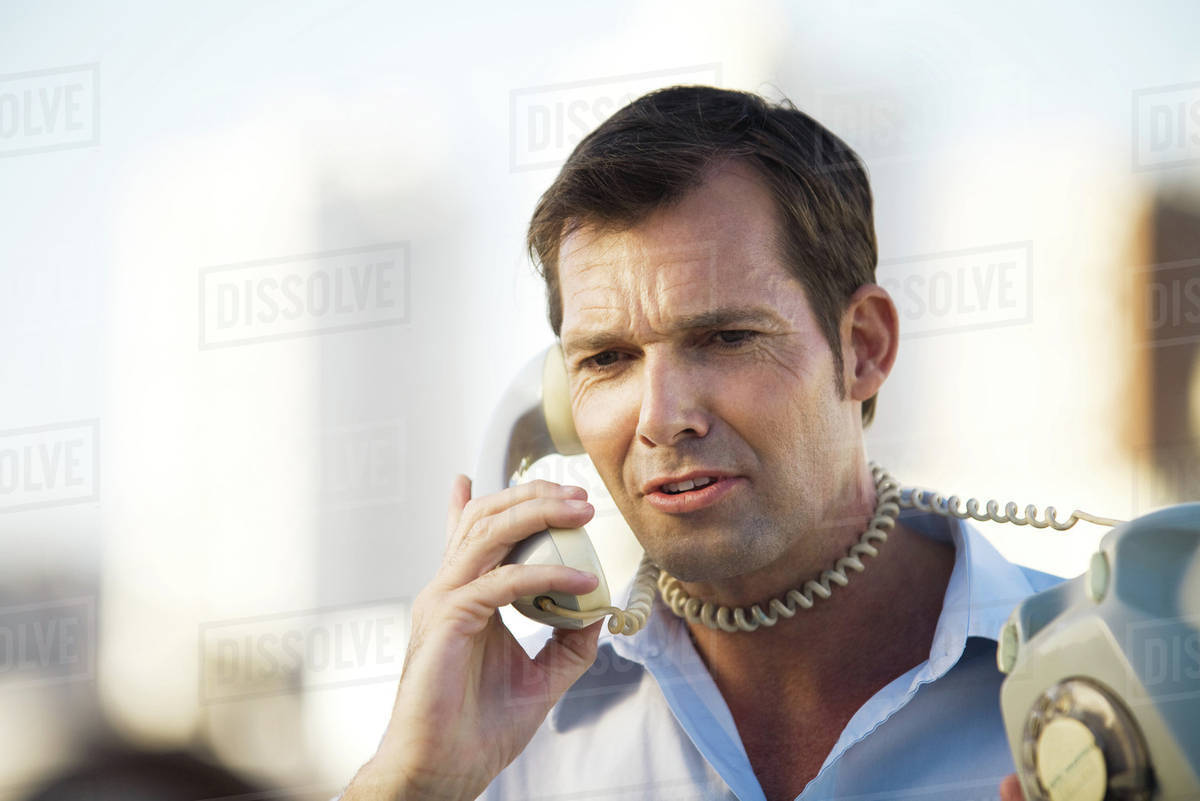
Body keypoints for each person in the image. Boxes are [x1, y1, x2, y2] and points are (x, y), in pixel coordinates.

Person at [340, 86, 1058, 801]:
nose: (660, 418)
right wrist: (410, 784)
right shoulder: (508, 749)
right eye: (607, 359)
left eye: (726, 338)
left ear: (863, 348)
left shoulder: (1112, 666)